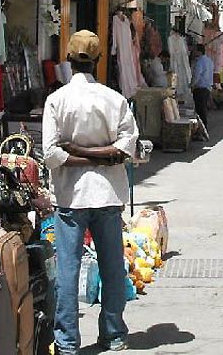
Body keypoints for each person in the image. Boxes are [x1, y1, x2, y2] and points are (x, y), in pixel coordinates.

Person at [42, 30, 138, 355]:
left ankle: (67, 343)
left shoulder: (57, 100)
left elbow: (52, 154)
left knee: (67, 271)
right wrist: (102, 154)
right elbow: (125, 148)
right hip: (107, 194)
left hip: (71, 198)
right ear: (98, 61)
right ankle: (113, 334)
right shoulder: (115, 100)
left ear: (68, 60)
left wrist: (78, 152)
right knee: (113, 268)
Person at [191, 44, 214, 130]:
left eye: (195, 50)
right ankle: (203, 128)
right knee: (203, 109)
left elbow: (197, 76)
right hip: (207, 87)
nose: (194, 52)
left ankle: (202, 129)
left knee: (200, 110)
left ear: (199, 51)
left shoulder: (199, 62)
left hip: (200, 88)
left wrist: (192, 85)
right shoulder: (209, 61)